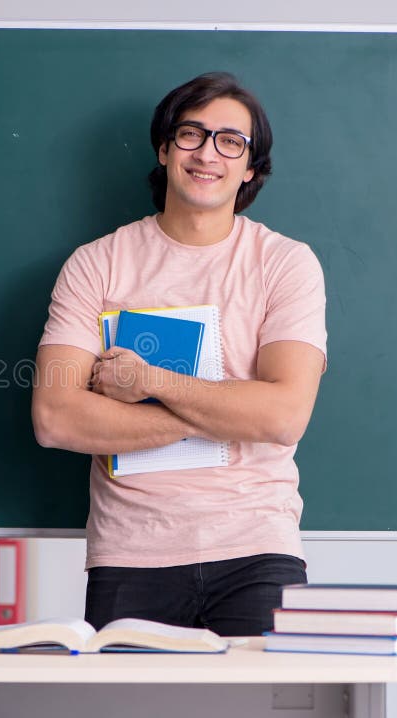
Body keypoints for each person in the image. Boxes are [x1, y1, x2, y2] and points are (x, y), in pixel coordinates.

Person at [32, 72, 326, 635]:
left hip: (258, 546)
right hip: (130, 554)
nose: (208, 153)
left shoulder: (286, 264)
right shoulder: (97, 263)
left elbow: (284, 416)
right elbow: (54, 417)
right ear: (165, 149)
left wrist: (150, 380)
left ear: (250, 168)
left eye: (231, 141)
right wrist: (226, 411)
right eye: (192, 134)